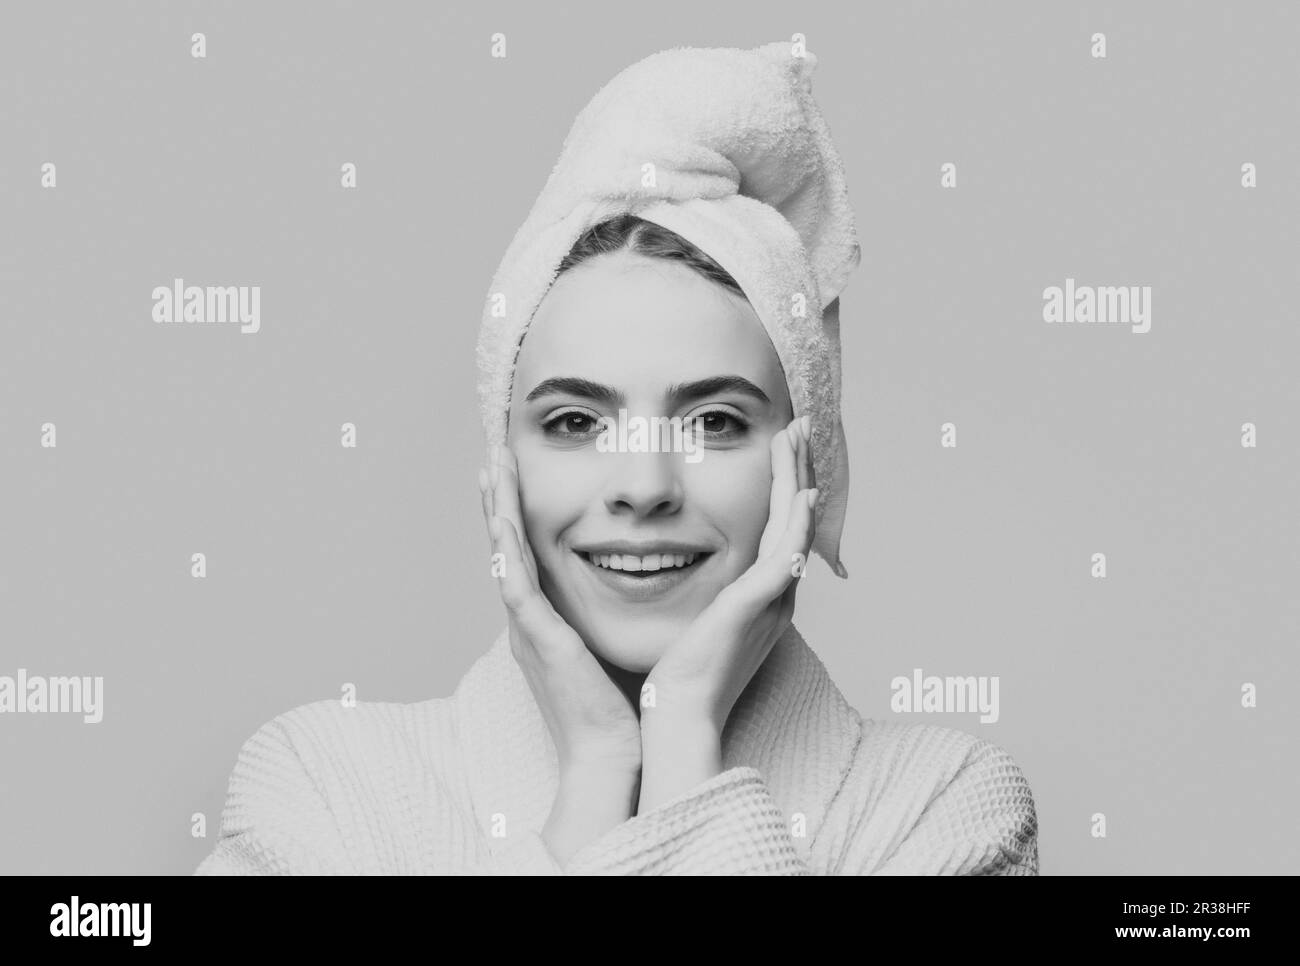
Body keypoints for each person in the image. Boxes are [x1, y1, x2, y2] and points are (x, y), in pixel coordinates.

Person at [196, 42, 1038, 876]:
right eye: (573, 422)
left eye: (712, 422)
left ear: (802, 462)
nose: (644, 486)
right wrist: (596, 775)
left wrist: (685, 745)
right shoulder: (322, 790)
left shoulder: (942, 807)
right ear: (504, 464)